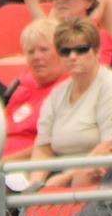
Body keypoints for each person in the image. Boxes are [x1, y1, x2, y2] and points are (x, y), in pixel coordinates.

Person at [30, 17, 112, 186]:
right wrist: (35, 185)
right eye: (65, 51)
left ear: (96, 51)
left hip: (97, 171)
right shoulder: (56, 94)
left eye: (81, 49)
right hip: (58, 173)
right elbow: (43, 148)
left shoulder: (108, 86)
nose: (73, 56)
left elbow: (108, 146)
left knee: (84, 176)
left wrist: (66, 177)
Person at [0, 19, 71, 160]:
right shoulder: (19, 90)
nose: (37, 57)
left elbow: (53, 145)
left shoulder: (70, 89)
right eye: (31, 52)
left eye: (44, 49)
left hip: (31, 167)